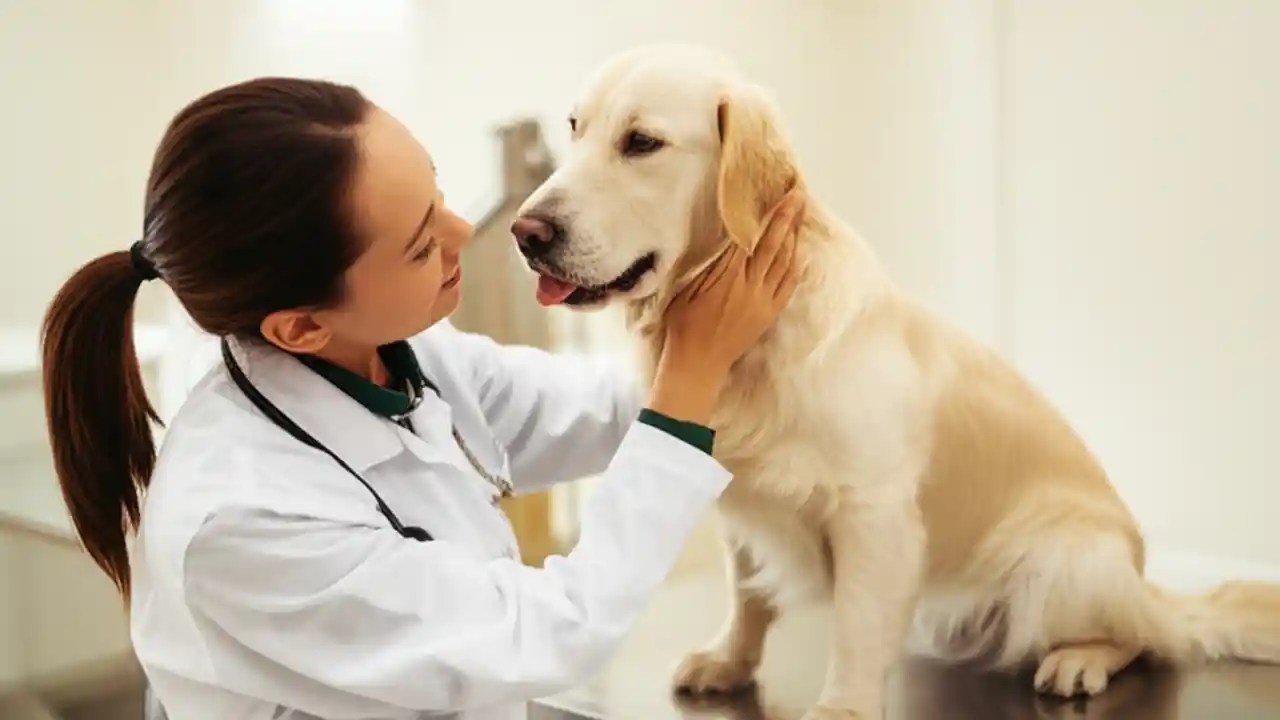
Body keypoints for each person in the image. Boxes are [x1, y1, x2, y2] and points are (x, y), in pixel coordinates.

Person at [39, 77, 804, 720]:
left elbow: (595, 408)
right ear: (301, 324)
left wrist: (742, 335)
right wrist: (691, 378)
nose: (463, 229)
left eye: (436, 192)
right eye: (418, 242)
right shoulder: (241, 517)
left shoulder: (399, 360)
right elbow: (546, 634)